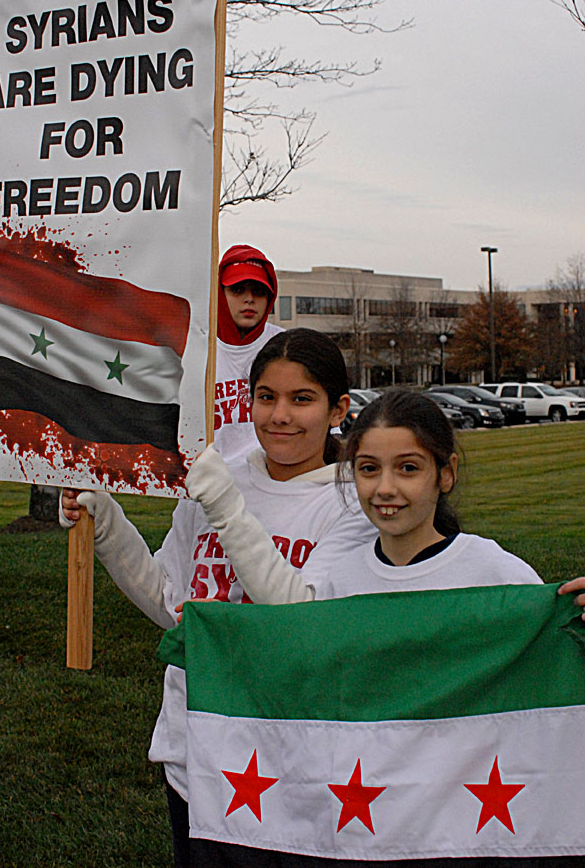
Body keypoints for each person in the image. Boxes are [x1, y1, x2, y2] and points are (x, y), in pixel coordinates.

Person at [59, 328, 376, 868]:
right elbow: (169, 600)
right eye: (266, 397)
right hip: (195, 750)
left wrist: (225, 506)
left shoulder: (353, 502)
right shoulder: (220, 480)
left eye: (302, 399)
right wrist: (106, 520)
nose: (280, 416)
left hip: (292, 760)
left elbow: (300, 620)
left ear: (338, 408)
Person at [188, 387, 585, 610]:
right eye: (369, 468)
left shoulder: (495, 574)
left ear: (446, 474)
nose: (385, 489)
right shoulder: (338, 584)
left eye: (408, 468)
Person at [214, 243, 284, 460]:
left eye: (259, 291)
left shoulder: (284, 345)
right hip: (208, 484)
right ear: (219, 292)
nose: (249, 299)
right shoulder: (195, 346)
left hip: (269, 481)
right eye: (237, 289)